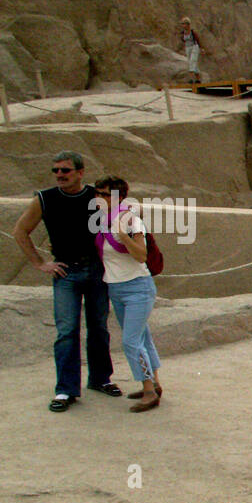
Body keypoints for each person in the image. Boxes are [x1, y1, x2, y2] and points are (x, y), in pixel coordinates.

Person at [11, 151, 119, 412]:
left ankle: (100, 379)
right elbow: (20, 231)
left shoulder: (96, 196)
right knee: (67, 331)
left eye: (65, 170)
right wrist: (40, 263)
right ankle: (65, 389)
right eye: (56, 170)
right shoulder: (44, 199)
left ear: (80, 173)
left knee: (99, 328)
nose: (59, 174)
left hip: (96, 270)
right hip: (65, 272)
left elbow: (118, 221)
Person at [92, 176, 162, 413]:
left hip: (137, 287)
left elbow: (141, 255)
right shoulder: (102, 220)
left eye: (104, 194)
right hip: (116, 287)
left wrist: (123, 236)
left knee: (131, 341)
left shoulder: (129, 220)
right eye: (97, 193)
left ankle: (149, 390)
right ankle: (155, 384)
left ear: (119, 197)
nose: (99, 197)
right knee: (142, 338)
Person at [178, 17, 205, 83]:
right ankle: (198, 79)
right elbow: (183, 41)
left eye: (184, 24)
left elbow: (198, 40)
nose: (183, 25)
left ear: (188, 24)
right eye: (182, 24)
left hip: (194, 47)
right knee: (192, 62)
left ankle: (191, 78)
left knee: (193, 61)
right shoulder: (183, 33)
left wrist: (201, 48)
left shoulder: (193, 32)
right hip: (188, 48)